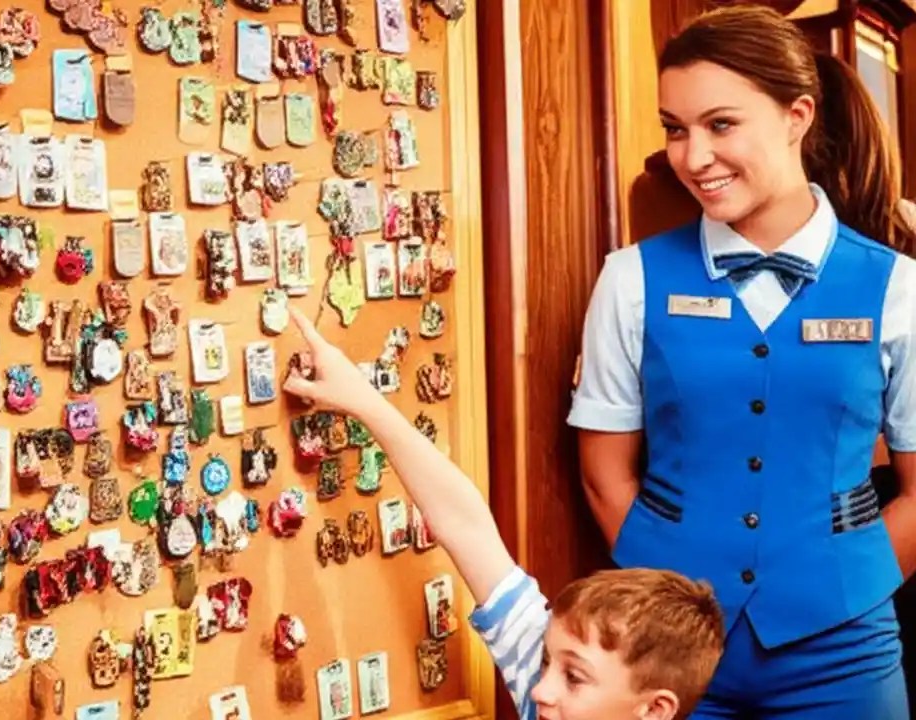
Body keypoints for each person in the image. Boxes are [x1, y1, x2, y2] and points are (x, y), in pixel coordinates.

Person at [569, 6, 916, 718]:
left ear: (797, 116)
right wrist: (667, 613)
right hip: (663, 657)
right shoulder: (629, 279)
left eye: (720, 124)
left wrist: (848, 590)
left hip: (845, 653)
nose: (693, 157)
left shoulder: (900, 289)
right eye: (675, 128)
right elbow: (605, 475)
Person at [283, 307, 725, 720]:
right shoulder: (553, 695)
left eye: (573, 677)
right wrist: (363, 400)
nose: (539, 690)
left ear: (653, 710)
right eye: (546, 662)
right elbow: (464, 524)